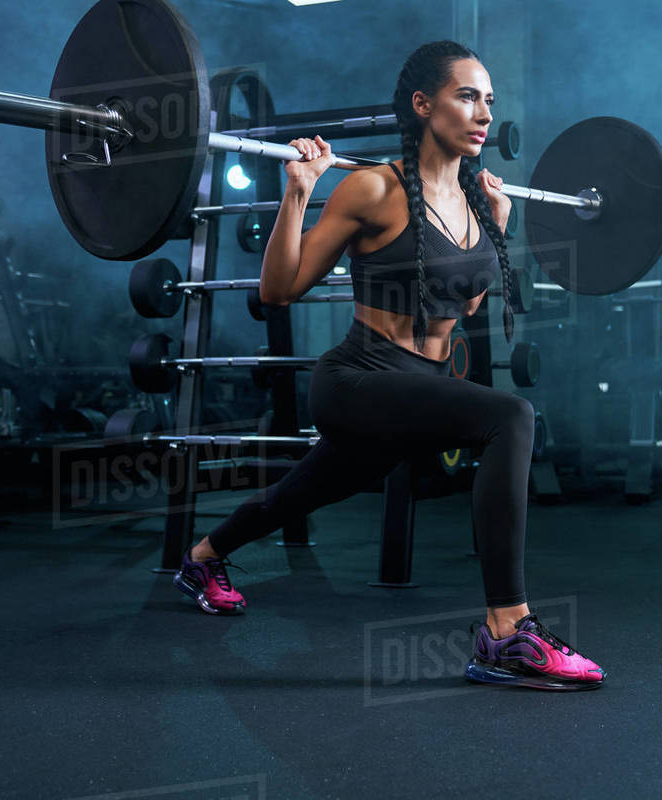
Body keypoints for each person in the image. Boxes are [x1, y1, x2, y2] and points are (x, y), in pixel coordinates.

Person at [172, 41, 605, 691]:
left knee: (303, 492)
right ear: (422, 105)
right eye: (466, 96)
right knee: (510, 415)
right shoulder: (372, 187)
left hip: (421, 385)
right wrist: (298, 191)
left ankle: (202, 559)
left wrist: (500, 224)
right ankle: (507, 633)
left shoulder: (476, 201)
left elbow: (465, 302)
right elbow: (278, 291)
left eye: (489, 99)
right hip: (360, 379)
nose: (483, 111)